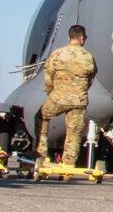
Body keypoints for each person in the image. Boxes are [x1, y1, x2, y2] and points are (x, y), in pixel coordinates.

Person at [35, 24, 97, 166]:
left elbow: (48, 76)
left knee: (42, 117)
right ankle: (69, 164)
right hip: (79, 100)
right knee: (74, 132)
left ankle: (41, 152)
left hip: (59, 97)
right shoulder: (88, 57)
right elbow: (91, 78)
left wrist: (51, 93)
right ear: (81, 37)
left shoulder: (58, 53)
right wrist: (81, 90)